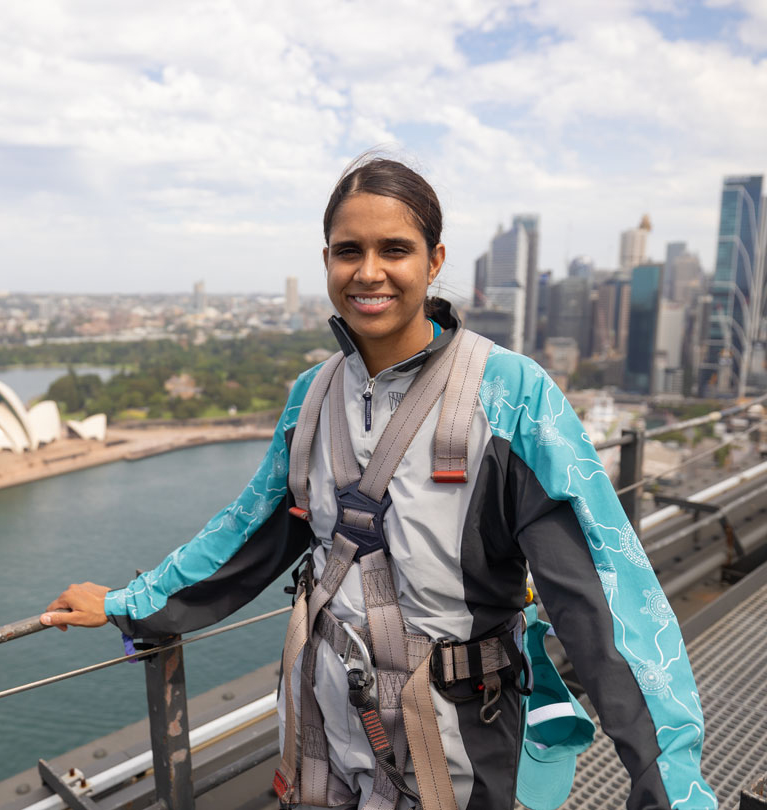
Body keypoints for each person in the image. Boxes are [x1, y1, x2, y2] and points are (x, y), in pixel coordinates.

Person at [41, 157, 715, 810]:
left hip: (456, 738)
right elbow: (248, 531)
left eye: (394, 249)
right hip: (323, 727)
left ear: (435, 260)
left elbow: (607, 598)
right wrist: (131, 604)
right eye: (347, 250)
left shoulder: (510, 397)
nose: (368, 272)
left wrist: (673, 788)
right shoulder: (314, 396)